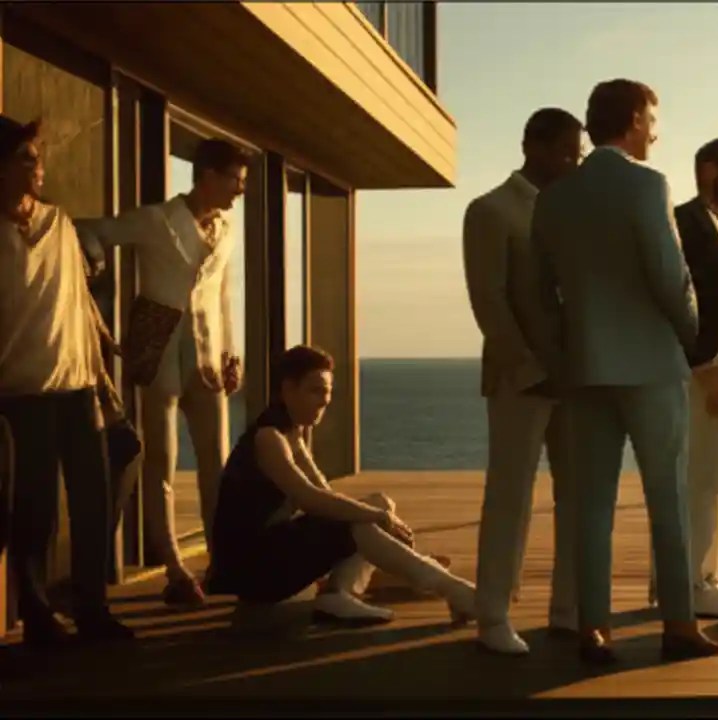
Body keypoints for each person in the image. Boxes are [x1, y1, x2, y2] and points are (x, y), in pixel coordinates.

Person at [531, 78, 718, 664]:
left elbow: (539, 292)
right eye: (653, 118)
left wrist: (562, 355)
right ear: (635, 121)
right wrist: (697, 340)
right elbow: (670, 277)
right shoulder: (648, 184)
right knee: (666, 497)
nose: (657, 130)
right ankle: (677, 626)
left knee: (589, 504)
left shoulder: (555, 197)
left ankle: (595, 628)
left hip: (585, 368)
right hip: (650, 365)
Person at [76, 138, 249, 608]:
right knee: (163, 462)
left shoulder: (228, 229)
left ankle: (222, 561)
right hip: (159, 349)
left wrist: (233, 352)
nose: (240, 191)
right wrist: (93, 267)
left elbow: (224, 293)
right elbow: (90, 230)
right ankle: (174, 568)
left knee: (217, 462)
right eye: (235, 180)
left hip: (207, 357)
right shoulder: (155, 220)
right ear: (208, 175)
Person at [204, 345, 476, 625]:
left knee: (376, 503)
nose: (325, 400)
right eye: (316, 390)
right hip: (254, 572)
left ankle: (343, 592)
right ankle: (452, 589)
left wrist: (379, 516)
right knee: (362, 518)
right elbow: (309, 498)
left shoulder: (292, 434)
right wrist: (379, 519)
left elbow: (326, 494)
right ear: (288, 389)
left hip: (274, 554)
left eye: (328, 391)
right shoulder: (268, 438)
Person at [0, 115, 133, 646]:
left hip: (76, 385)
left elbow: (78, 302)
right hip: (19, 391)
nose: (40, 168)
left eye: (40, 158)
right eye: (28, 158)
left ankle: (91, 606)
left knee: (94, 498)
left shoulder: (59, 225)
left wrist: (103, 372)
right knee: (33, 509)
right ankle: (35, 614)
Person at [462, 107, 584, 655]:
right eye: (565, 151)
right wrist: (531, 369)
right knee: (510, 497)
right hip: (521, 379)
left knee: (578, 494)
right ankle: (492, 614)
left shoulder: (571, 212)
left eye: (577, 152)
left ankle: (570, 609)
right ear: (531, 146)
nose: (573, 162)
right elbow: (489, 301)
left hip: (576, 377)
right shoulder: (490, 210)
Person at [649, 138, 718, 618]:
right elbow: (675, 297)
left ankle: (678, 581)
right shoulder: (687, 223)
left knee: (701, 476)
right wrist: (703, 362)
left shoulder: (712, 223)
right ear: (708, 169)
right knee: (703, 476)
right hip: (705, 362)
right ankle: (696, 584)